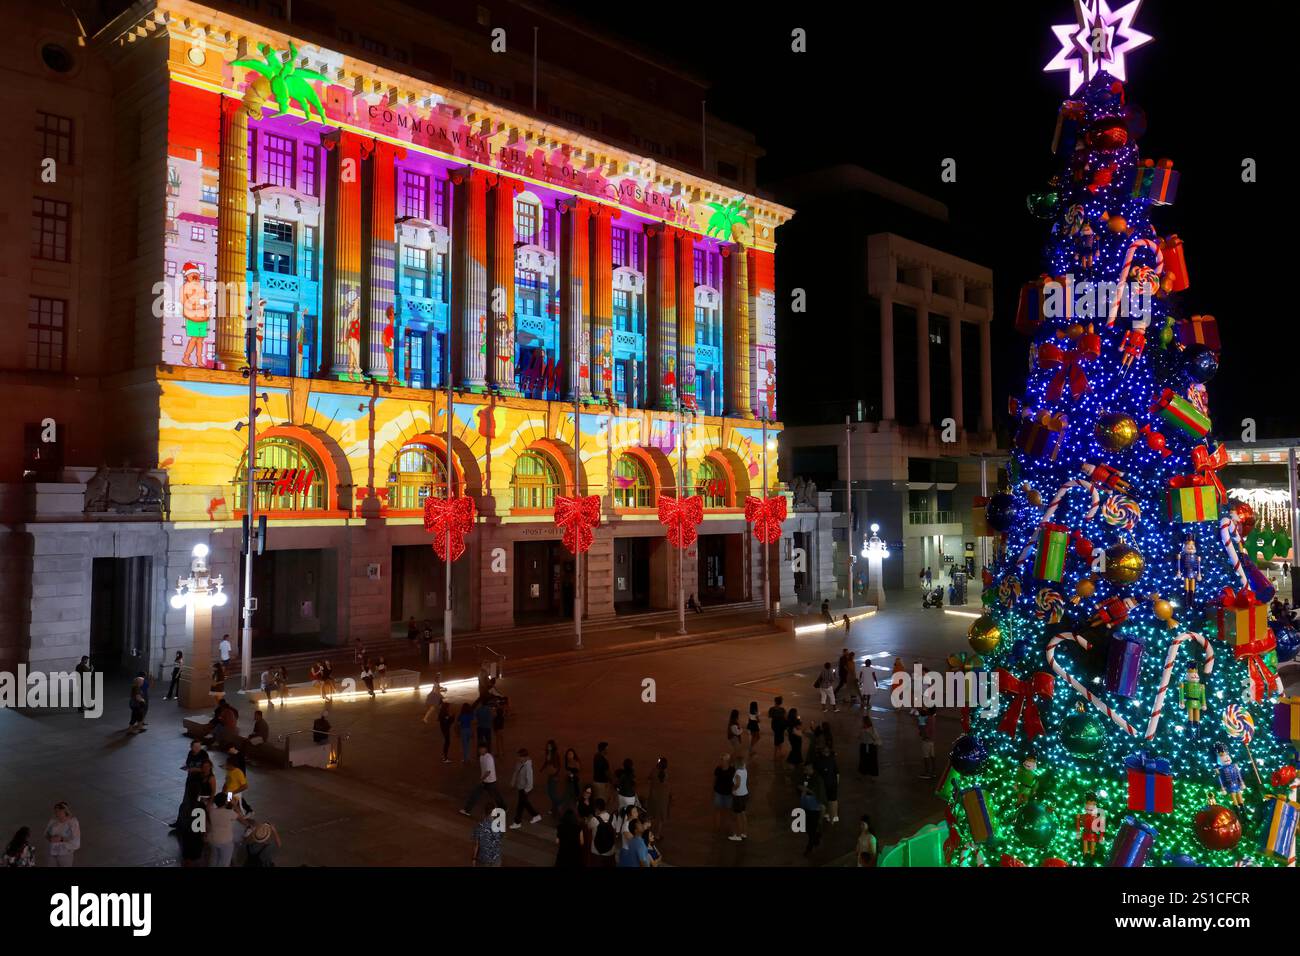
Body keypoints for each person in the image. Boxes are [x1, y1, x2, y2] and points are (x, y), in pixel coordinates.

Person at [460, 743, 507, 816]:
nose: (480, 751)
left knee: (496, 796)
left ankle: (504, 808)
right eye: (479, 749)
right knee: (475, 794)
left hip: (490, 782)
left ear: (486, 749)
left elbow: (488, 772)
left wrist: (481, 779)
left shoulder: (489, 758)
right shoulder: (481, 757)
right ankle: (467, 810)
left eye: (482, 749)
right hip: (485, 781)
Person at [206, 792, 245, 867]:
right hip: (226, 842)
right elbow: (241, 817)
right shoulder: (230, 813)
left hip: (213, 839)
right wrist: (234, 804)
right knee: (224, 862)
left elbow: (209, 805)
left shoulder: (211, 811)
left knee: (214, 859)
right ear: (225, 802)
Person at [508, 748, 543, 829]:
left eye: (520, 757)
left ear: (524, 757)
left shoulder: (528, 766)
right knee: (525, 804)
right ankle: (536, 815)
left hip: (524, 789)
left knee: (520, 806)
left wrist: (526, 790)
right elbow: (516, 771)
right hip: (520, 787)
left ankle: (517, 822)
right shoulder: (519, 763)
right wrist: (513, 781)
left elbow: (530, 781)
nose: (518, 758)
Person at [45, 802, 80, 867]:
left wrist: (61, 839)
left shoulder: (72, 822)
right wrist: (50, 838)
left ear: (65, 811)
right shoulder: (53, 821)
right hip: (52, 852)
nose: (57, 813)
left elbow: (75, 838)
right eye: (55, 811)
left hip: (65, 853)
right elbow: (46, 833)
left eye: (59, 811)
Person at [470, 802, 504, 867]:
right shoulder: (498, 826)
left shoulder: (479, 826)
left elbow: (476, 844)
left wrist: (474, 858)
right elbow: (499, 839)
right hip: (495, 857)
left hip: (483, 857)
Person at [646, 757, 671, 840]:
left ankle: (647, 832)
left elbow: (649, 778)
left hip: (653, 797)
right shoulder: (666, 774)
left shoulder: (654, 771)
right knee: (660, 818)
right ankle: (657, 835)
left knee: (650, 815)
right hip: (663, 798)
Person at [814, 743, 840, 825]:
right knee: (833, 800)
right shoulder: (832, 759)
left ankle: (831, 817)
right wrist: (837, 783)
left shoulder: (819, 761)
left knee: (829, 800)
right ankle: (834, 816)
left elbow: (816, 773)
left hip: (826, 784)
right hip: (833, 782)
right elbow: (837, 773)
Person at [588, 798, 618, 867]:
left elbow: (588, 827)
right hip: (610, 853)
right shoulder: (613, 817)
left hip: (597, 853)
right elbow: (614, 831)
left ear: (596, 808)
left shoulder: (594, 819)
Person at [799, 777, 823, 855]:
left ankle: (809, 848)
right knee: (808, 829)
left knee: (811, 830)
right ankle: (816, 837)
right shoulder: (806, 778)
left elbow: (821, 803)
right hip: (808, 809)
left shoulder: (816, 782)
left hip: (814, 810)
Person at [728, 755, 750, 841]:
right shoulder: (744, 770)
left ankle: (737, 835)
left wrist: (732, 790)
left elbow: (737, 784)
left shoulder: (737, 773)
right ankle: (744, 833)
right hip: (745, 794)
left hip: (738, 796)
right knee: (743, 814)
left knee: (737, 816)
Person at [542, 740, 563, 816]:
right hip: (550, 775)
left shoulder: (555, 754)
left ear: (553, 746)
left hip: (554, 775)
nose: (548, 747)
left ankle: (559, 804)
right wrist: (542, 768)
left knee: (552, 793)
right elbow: (546, 762)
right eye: (548, 746)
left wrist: (556, 774)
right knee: (550, 792)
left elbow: (558, 765)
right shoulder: (548, 753)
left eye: (550, 746)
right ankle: (555, 807)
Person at [917, 706, 937, 778]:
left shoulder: (926, 718)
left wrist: (922, 733)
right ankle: (934, 771)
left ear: (928, 711)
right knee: (932, 756)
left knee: (926, 756)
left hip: (926, 739)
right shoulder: (933, 718)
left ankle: (927, 773)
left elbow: (922, 728)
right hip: (932, 740)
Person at [592, 741, 612, 808]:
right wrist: (610, 781)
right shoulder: (603, 760)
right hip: (601, 784)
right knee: (602, 802)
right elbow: (606, 773)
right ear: (604, 750)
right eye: (607, 749)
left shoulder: (596, 756)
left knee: (597, 801)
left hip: (596, 782)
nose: (608, 750)